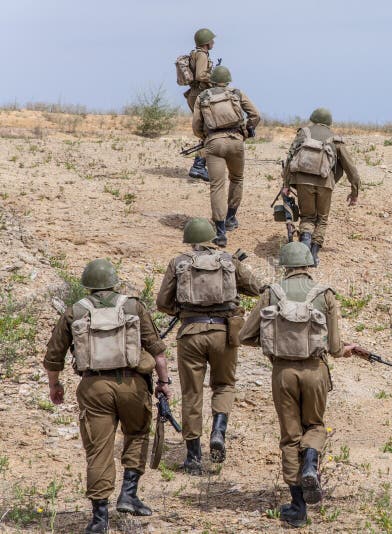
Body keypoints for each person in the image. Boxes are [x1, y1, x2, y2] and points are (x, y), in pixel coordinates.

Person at [43, 259, 172, 534]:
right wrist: (163, 383)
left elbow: (54, 357)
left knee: (98, 449)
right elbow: (158, 353)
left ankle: (99, 518)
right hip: (133, 384)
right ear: (114, 282)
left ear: (87, 285)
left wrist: (55, 385)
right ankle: (129, 494)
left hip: (94, 387)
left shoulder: (75, 311)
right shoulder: (133, 306)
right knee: (137, 433)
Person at [239, 242, 354, 527]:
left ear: (285, 265)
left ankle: (297, 507)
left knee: (290, 436)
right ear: (307, 264)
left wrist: (273, 342)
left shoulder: (271, 293)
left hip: (283, 373)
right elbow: (335, 347)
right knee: (314, 425)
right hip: (315, 370)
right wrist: (346, 350)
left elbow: (244, 336)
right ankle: (310, 463)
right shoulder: (325, 294)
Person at [156, 217, 264, 474]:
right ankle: (218, 431)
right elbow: (256, 288)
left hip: (190, 333)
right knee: (224, 385)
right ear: (212, 239)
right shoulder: (228, 261)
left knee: (191, 393)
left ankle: (193, 457)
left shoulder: (179, 263)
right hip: (224, 333)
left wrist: (183, 311)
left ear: (190, 241)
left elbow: (162, 302)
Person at [281, 108, 360, 266]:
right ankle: (314, 253)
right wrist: (354, 191)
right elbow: (351, 168)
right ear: (329, 122)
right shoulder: (335, 139)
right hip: (325, 183)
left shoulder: (303, 133)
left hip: (303, 181)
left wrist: (286, 185)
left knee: (307, 217)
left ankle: (304, 248)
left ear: (313, 118)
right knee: (322, 219)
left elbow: (290, 158)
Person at [192, 66, 261, 247]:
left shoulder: (203, 96)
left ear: (212, 81)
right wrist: (246, 131)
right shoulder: (236, 93)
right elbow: (255, 115)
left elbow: (196, 126)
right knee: (237, 178)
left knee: (217, 186)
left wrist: (206, 137)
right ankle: (231, 218)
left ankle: (220, 232)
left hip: (214, 143)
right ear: (228, 80)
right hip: (236, 142)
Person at [184, 27, 216, 182]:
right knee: (209, 131)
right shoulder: (202, 55)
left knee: (206, 130)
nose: (213, 42)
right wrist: (215, 77)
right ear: (206, 42)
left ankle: (200, 164)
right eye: (211, 40)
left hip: (194, 94)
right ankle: (198, 166)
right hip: (200, 96)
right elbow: (200, 75)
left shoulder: (195, 53)